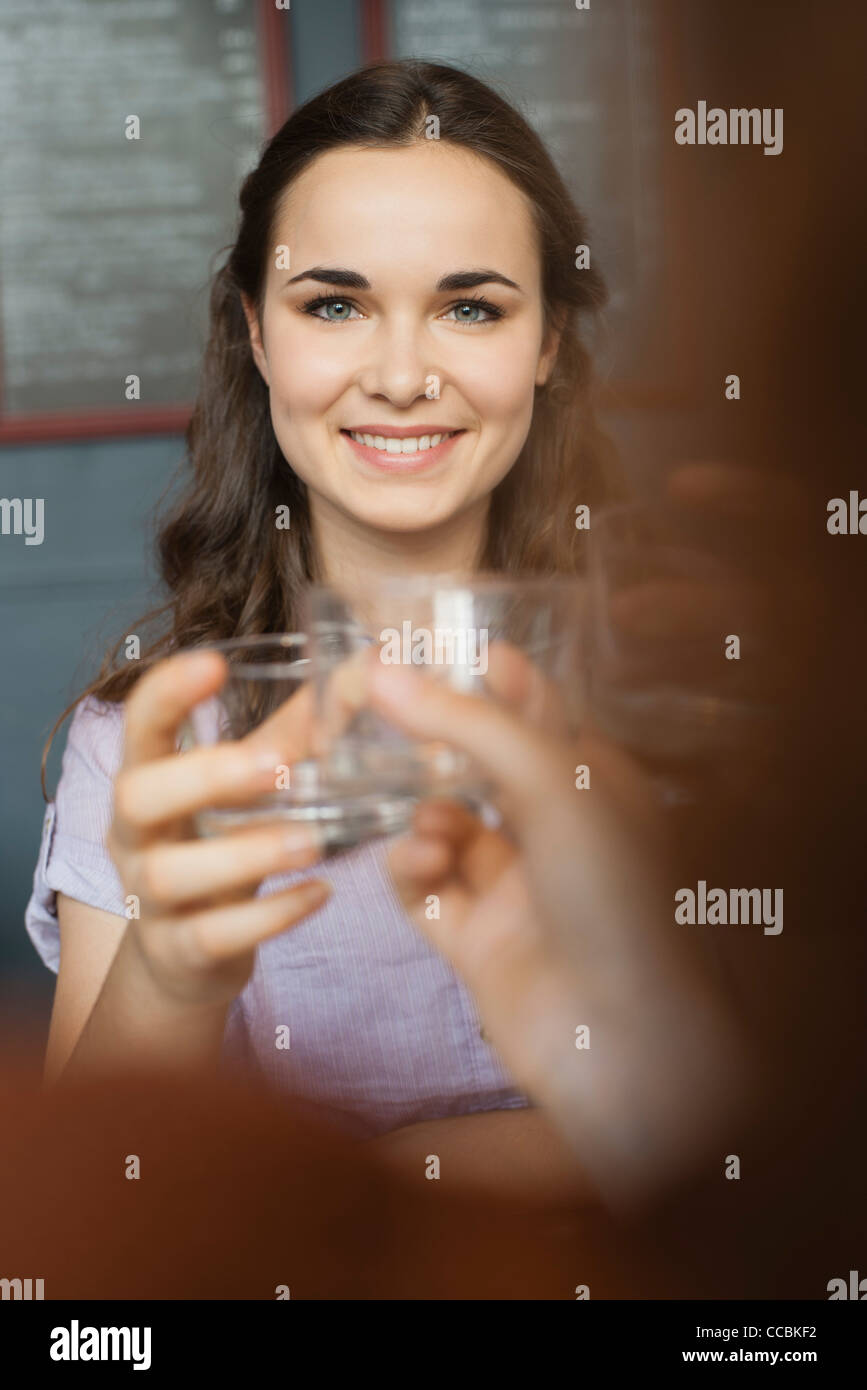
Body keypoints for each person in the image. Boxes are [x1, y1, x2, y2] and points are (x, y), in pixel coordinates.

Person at [25, 60, 617, 1193]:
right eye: (334, 304)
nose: (401, 375)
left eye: (472, 306)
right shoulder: (154, 744)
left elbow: (793, 1153)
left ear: (546, 342)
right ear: (256, 332)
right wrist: (172, 964)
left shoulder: (680, 696)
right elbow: (91, 1222)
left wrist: (409, 1168)